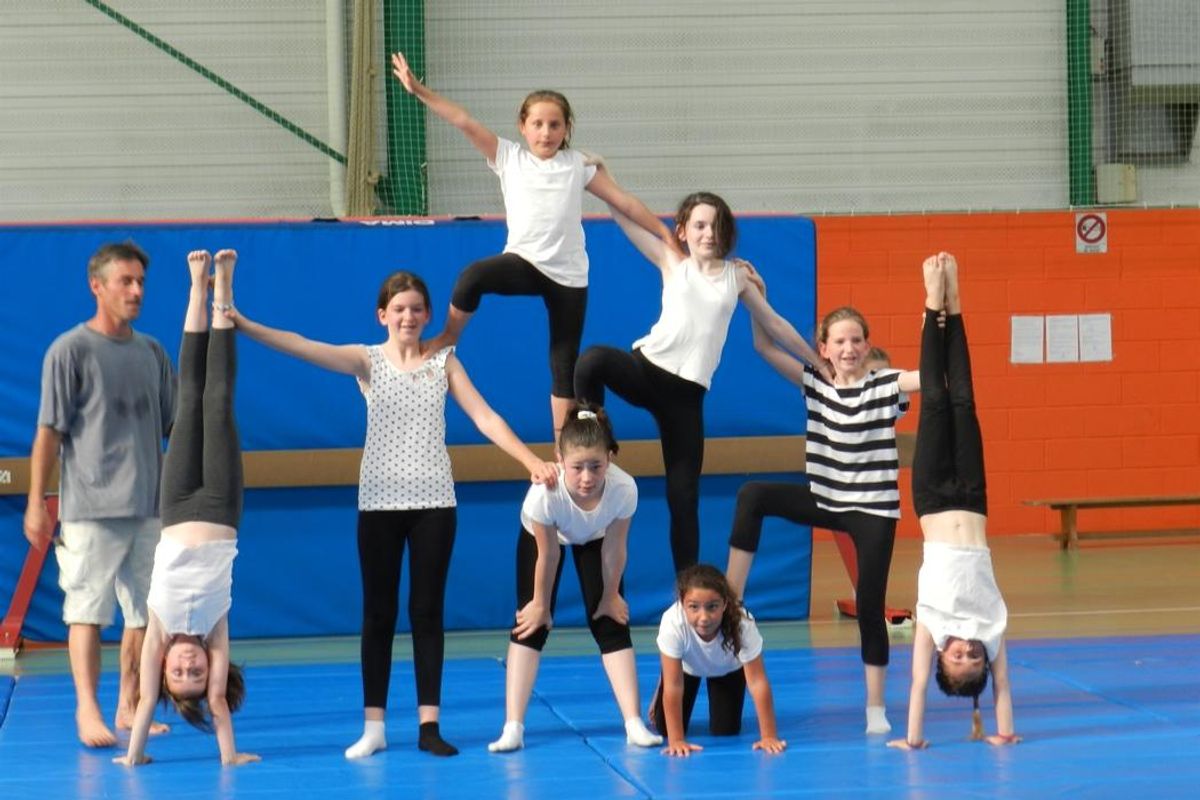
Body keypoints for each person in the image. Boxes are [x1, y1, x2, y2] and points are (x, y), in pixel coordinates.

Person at [230, 269, 556, 759]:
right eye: (398, 309)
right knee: (377, 613)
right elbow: (302, 345)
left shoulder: (444, 361)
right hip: (378, 503)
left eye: (416, 309)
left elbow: (485, 415)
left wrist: (530, 460)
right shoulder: (367, 361)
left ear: (428, 315)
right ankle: (374, 726)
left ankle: (429, 724)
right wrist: (246, 325)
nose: (408, 316)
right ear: (383, 315)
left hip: (434, 505)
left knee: (427, 612)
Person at [390, 51, 680, 439]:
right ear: (523, 127)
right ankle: (448, 337)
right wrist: (419, 90)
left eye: (555, 125)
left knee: (564, 365)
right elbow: (464, 121)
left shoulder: (578, 165)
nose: (546, 133)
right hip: (525, 263)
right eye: (538, 124)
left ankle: (564, 449)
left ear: (567, 128)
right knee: (472, 277)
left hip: (570, 278)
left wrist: (665, 234)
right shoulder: (508, 157)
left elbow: (623, 201)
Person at [575, 190, 829, 573]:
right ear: (682, 231)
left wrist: (818, 364)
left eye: (716, 226)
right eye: (699, 225)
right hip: (646, 370)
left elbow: (775, 324)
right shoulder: (672, 261)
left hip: (685, 400)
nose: (709, 233)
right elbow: (624, 215)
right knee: (592, 361)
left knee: (684, 497)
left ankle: (685, 591)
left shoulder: (737, 276)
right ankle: (591, 444)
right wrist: (597, 177)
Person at [725, 305, 919, 735]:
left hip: (872, 509)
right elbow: (764, 344)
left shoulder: (885, 384)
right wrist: (755, 297)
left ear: (867, 346)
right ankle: (732, 599)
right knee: (753, 495)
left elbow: (925, 378)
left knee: (870, 607)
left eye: (856, 340)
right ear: (824, 349)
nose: (849, 348)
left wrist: (937, 317)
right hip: (825, 499)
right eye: (840, 341)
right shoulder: (814, 382)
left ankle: (874, 708)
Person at [24, 241, 176, 748]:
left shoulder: (153, 352)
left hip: (149, 506)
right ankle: (86, 708)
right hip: (90, 509)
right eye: (125, 282)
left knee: (146, 613)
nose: (136, 291)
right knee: (86, 610)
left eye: (141, 283)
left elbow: (173, 424)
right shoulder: (70, 351)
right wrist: (34, 501)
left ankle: (129, 704)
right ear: (97, 286)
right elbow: (49, 433)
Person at [115, 249, 256, 767]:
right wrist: (230, 757)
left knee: (187, 400)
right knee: (218, 400)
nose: (191, 667)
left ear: (166, 666)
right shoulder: (216, 629)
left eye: (182, 673)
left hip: (176, 510)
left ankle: (196, 288)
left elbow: (145, 698)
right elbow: (216, 701)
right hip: (221, 507)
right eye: (197, 672)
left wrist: (133, 757)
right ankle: (224, 290)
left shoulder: (158, 630)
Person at [888, 252, 1017, 750]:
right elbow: (1004, 686)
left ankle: (930, 302)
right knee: (964, 399)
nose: (965, 653)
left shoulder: (932, 627)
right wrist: (1003, 732)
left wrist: (913, 738)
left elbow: (917, 686)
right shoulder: (994, 629)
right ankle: (955, 303)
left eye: (956, 660)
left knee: (937, 402)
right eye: (973, 660)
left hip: (934, 500)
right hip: (974, 498)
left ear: (943, 658)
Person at [487, 403, 660, 753]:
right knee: (531, 623)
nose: (587, 477)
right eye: (577, 467)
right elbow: (549, 554)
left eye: (596, 466)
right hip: (545, 537)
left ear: (609, 459)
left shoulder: (623, 489)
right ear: (559, 459)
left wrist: (610, 593)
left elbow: (616, 548)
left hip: (597, 536)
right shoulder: (545, 494)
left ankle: (633, 722)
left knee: (611, 620)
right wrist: (539, 603)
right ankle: (513, 727)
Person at [650, 564, 785, 757]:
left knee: (726, 730)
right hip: (685, 670)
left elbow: (757, 681)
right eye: (694, 607)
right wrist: (677, 740)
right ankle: (659, 686)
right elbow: (674, 685)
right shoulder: (673, 622)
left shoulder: (743, 623)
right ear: (682, 603)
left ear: (725, 604)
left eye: (712, 607)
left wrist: (769, 736)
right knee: (664, 728)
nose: (703, 617)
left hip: (728, 670)